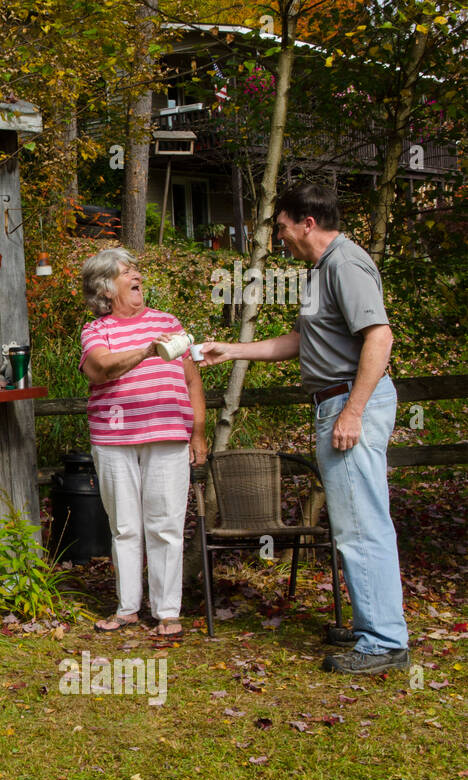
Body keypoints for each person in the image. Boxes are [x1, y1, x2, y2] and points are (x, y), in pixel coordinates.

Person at [200, 183, 407, 674]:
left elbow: (380, 336)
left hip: (348, 402)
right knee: (353, 521)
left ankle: (383, 642)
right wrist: (231, 349)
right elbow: (300, 340)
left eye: (281, 227)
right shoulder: (320, 272)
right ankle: (372, 624)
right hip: (335, 402)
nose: (280, 237)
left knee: (362, 524)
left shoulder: (345, 264)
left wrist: (352, 412)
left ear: (306, 223)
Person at [79, 248, 207, 638]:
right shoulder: (95, 330)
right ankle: (127, 608)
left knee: (166, 525)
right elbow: (99, 370)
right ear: (105, 287)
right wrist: (147, 351)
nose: (137, 276)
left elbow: (192, 381)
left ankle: (168, 611)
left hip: (168, 434)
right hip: (114, 439)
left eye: (136, 270)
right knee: (125, 527)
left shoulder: (169, 322)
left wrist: (198, 431)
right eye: (127, 271)